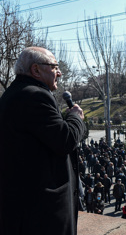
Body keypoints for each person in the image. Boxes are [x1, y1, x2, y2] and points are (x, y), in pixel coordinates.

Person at [0, 47, 86, 235]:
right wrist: (76, 118)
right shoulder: (34, 96)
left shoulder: (15, 93)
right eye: (55, 67)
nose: (60, 72)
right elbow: (65, 140)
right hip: (41, 211)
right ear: (36, 70)